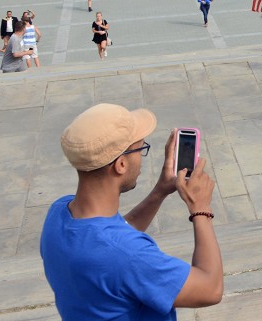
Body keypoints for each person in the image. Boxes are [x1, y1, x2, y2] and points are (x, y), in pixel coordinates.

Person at [40, 103, 223, 319]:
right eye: (141, 149)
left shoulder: (58, 213)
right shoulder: (130, 256)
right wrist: (200, 209)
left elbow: (110, 235)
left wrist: (159, 192)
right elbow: (211, 288)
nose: (141, 159)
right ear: (121, 164)